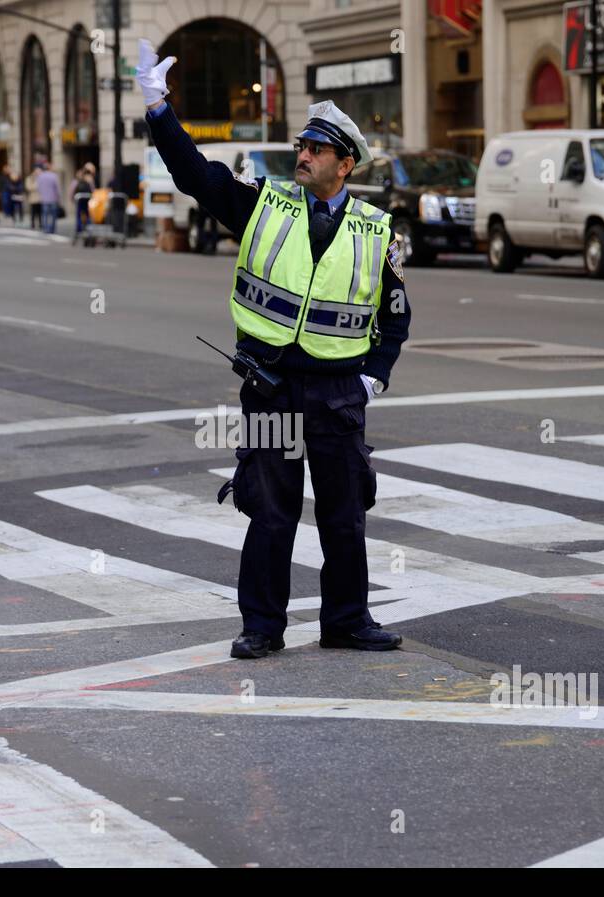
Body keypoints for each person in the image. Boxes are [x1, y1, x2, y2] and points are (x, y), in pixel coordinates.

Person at [137, 38, 411, 660]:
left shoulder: (377, 232)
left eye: (316, 149)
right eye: (302, 145)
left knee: (344, 517)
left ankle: (347, 620)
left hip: (339, 393)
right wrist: (158, 108)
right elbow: (195, 176)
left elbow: (394, 316)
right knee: (270, 513)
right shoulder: (266, 204)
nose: (304, 155)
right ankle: (262, 626)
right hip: (273, 385)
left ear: (345, 165)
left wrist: (375, 379)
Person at [36, 162, 60, 234]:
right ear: (49, 168)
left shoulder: (40, 176)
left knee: (45, 214)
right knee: (53, 215)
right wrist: (59, 197)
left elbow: (38, 188)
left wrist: (42, 194)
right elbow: (57, 188)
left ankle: (45, 228)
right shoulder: (54, 176)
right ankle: (52, 228)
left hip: (44, 198)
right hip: (53, 198)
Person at [26, 165, 42, 229]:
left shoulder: (41, 178)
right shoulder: (30, 178)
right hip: (33, 198)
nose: (38, 173)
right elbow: (28, 187)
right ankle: (32, 224)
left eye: (39, 171)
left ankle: (41, 224)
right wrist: (36, 185)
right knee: (33, 212)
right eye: (37, 171)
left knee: (40, 213)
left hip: (40, 198)